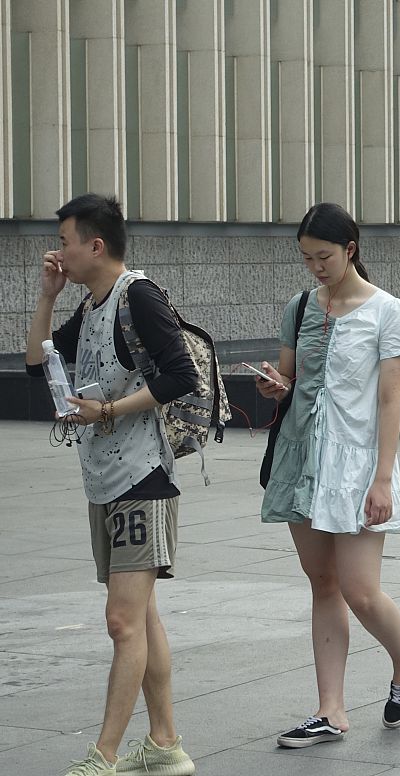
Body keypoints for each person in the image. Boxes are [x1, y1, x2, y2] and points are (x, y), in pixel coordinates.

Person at [25, 194, 199, 775]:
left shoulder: (138, 295)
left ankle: (104, 755)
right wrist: (47, 296)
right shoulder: (90, 303)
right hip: (103, 476)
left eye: (65, 241)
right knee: (141, 617)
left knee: (122, 621)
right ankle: (166, 743)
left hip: (143, 476)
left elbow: (181, 374)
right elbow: (36, 363)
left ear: (95, 245)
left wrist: (109, 410)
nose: (58, 252)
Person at [257, 203, 400, 745]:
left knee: (360, 590)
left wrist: (383, 479)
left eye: (323, 256)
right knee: (322, 583)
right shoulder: (300, 306)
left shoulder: (388, 311)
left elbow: (391, 402)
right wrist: (276, 386)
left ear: (350, 249)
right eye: (306, 258)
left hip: (357, 464)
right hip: (302, 459)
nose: (315, 267)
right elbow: (291, 379)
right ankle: (331, 710)